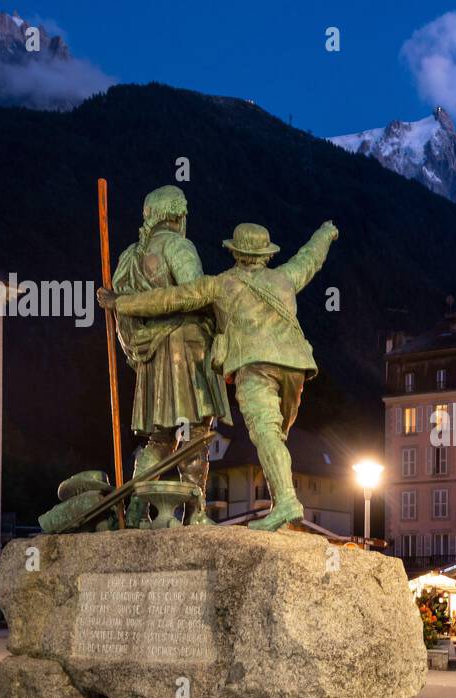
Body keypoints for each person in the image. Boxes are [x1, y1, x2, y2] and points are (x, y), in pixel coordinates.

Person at [101, 219, 339, 531]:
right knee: (276, 434)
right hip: (295, 367)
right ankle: (283, 500)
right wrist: (326, 232)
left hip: (255, 364)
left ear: (235, 253)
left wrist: (121, 302)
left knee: (266, 433)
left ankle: (286, 502)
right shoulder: (285, 278)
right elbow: (310, 257)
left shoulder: (219, 285)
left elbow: (169, 299)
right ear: (267, 254)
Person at [111, 185, 232, 526]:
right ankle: (195, 513)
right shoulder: (178, 246)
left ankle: (136, 510)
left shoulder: (129, 258)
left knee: (159, 437)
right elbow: (194, 294)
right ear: (177, 215)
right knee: (194, 431)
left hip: (151, 357)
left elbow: (123, 316)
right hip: (186, 348)